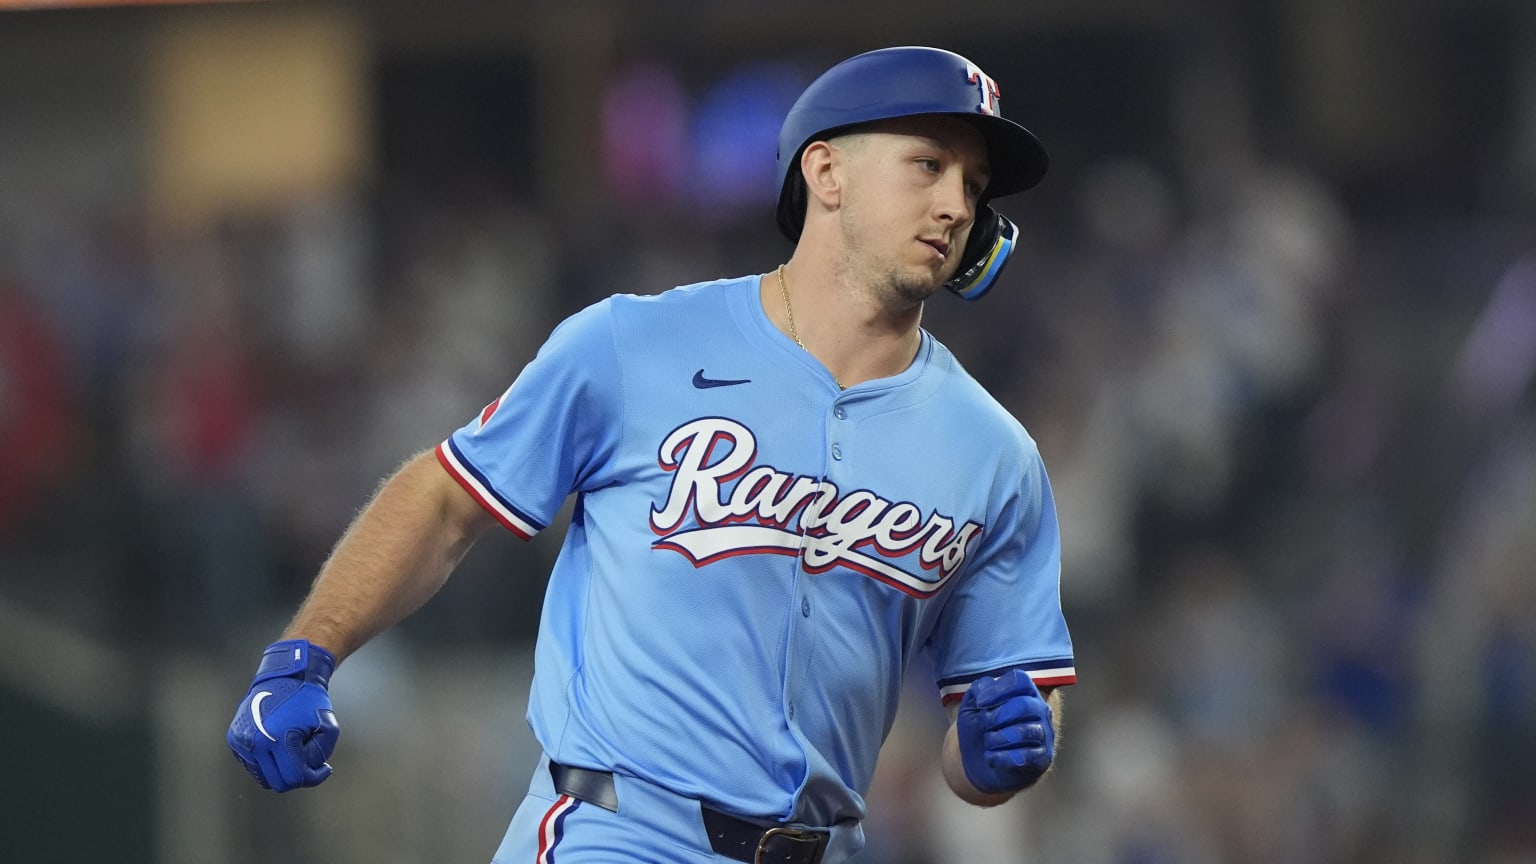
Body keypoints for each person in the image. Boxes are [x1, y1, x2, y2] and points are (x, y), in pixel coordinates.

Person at [227, 45, 1076, 864]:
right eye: (927, 164)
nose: (956, 204)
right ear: (827, 173)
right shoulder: (635, 344)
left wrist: (1000, 755)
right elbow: (447, 501)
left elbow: (989, 741)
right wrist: (306, 653)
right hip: (618, 831)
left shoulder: (994, 454)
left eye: (974, 184)